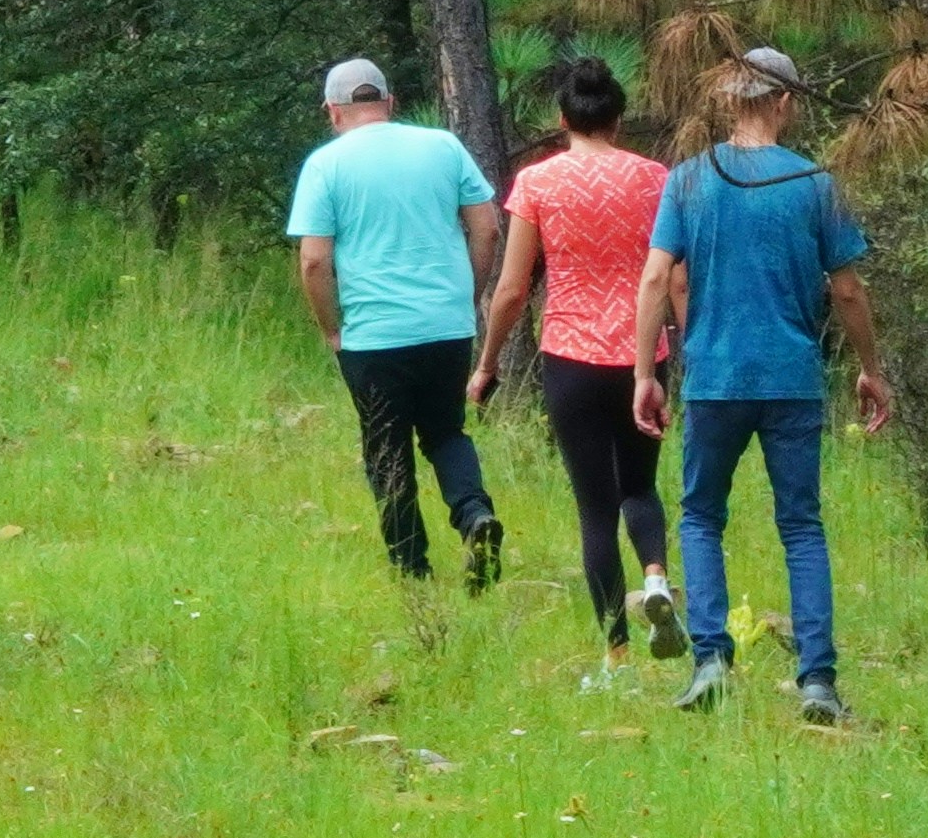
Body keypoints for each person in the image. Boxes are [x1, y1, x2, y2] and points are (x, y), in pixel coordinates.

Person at [631, 45, 890, 726]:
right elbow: (848, 288)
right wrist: (870, 368)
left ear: (729, 99)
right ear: (783, 103)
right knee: (801, 525)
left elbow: (658, 278)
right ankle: (817, 682)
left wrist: (643, 374)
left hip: (715, 378)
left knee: (700, 518)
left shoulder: (689, 181)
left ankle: (711, 659)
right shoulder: (816, 184)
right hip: (792, 379)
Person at [468, 54, 684, 661]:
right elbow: (675, 280)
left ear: (563, 118)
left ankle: (615, 652)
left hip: (569, 355)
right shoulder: (656, 179)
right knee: (640, 486)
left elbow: (512, 289)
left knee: (595, 508)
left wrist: (487, 363)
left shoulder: (536, 184)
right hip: (644, 355)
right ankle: (657, 581)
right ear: (619, 118)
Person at [285, 55, 504, 586]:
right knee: (446, 432)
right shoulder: (443, 147)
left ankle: (413, 570)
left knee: (386, 447)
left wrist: (330, 328)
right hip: (446, 325)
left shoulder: (326, 164)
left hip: (373, 335)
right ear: (390, 102)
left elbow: (314, 260)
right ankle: (474, 514)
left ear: (332, 111)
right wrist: (467, 294)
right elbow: (488, 228)